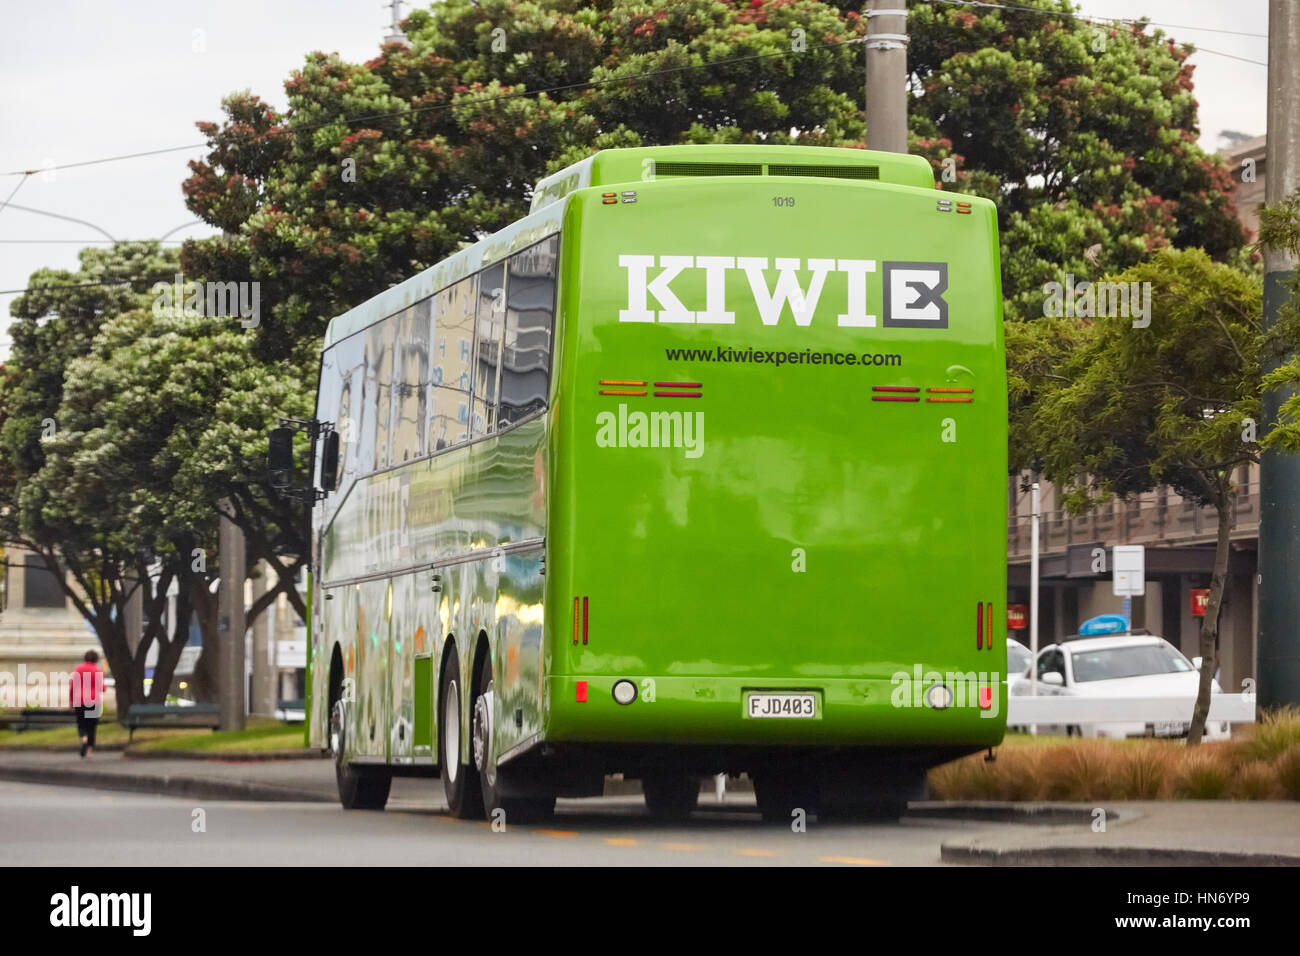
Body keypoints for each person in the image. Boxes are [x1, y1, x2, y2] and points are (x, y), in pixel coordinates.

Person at [70, 650, 104, 758]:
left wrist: (71, 701)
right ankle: (89, 751)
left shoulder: (78, 669)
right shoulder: (97, 671)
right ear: (96, 659)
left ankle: (84, 739)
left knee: (81, 724)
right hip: (94, 701)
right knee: (92, 726)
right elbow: (102, 688)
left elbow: (72, 687)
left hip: (80, 700)